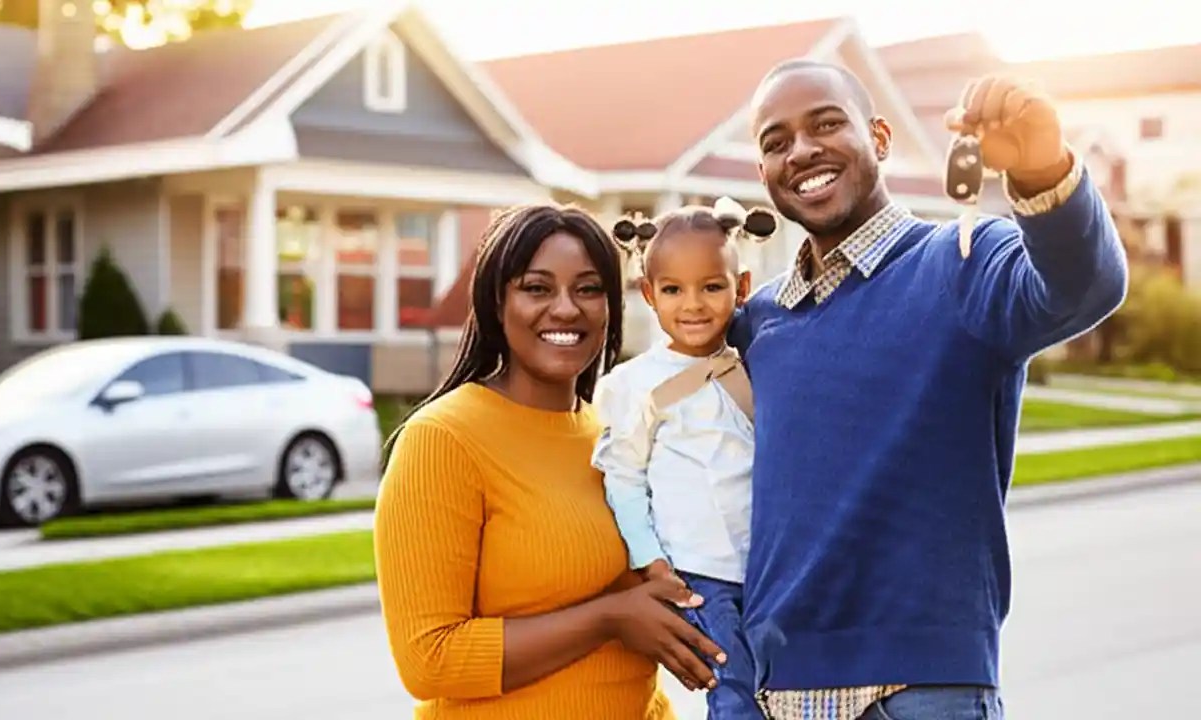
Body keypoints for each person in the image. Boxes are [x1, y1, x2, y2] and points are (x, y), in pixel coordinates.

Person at [729, 61, 1129, 720]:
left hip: (920, 693)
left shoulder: (964, 261)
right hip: (777, 696)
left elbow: (1086, 285)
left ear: (880, 138)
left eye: (826, 124)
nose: (801, 150)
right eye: (776, 142)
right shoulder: (758, 323)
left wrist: (1043, 170)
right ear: (764, 174)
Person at [374, 203, 727, 720]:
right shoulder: (443, 439)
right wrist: (609, 618)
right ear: (497, 302)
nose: (565, 309)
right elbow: (430, 660)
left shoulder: (616, 431)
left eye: (588, 289)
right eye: (537, 288)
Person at [592, 198, 777, 719]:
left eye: (711, 287)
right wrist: (651, 562)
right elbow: (623, 479)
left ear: (740, 288)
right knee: (735, 691)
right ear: (649, 295)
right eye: (673, 289)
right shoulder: (636, 385)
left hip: (767, 566)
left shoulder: (756, 366)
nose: (693, 304)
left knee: (783, 687)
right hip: (699, 575)